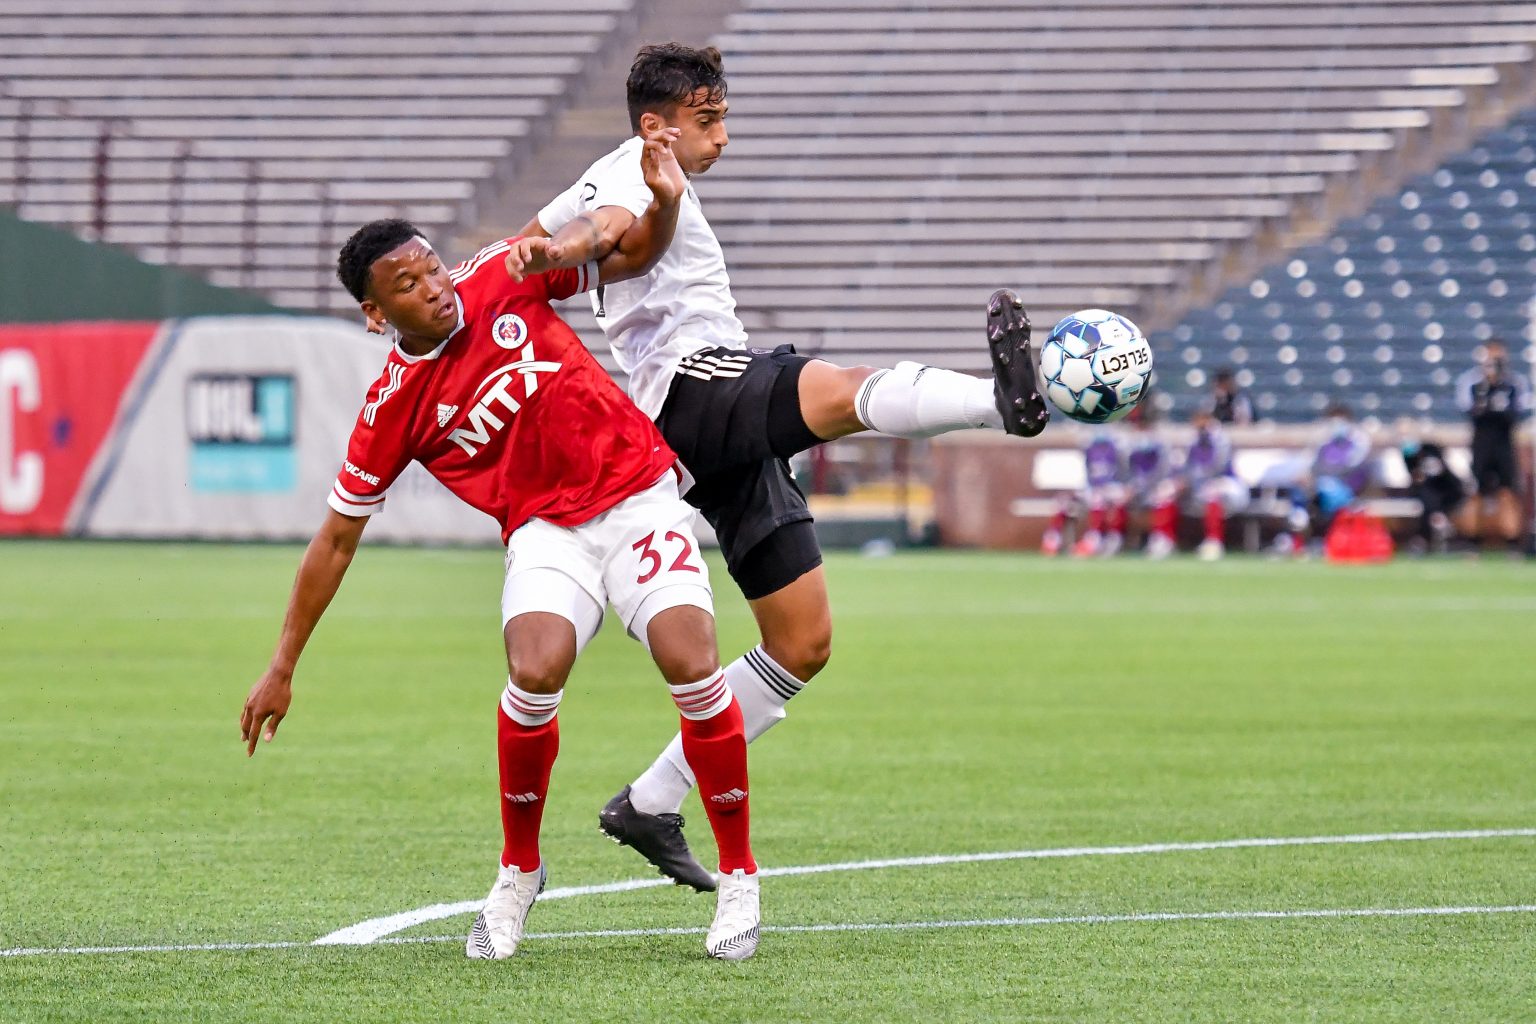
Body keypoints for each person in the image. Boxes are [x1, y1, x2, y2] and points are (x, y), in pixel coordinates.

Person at [504, 42, 1050, 889]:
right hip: (690, 386)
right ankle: (995, 403)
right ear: (657, 127)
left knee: (802, 643)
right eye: (707, 119)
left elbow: (541, 239)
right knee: (830, 390)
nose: (722, 136)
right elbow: (599, 231)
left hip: (711, 421)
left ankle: (649, 802)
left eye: (723, 116)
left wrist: (524, 260)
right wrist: (564, 250)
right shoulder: (627, 176)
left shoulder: (617, 174)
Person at [237, 135, 765, 963]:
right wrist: (282, 664)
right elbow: (336, 540)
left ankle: (739, 877)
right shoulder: (391, 410)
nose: (434, 289)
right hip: (546, 531)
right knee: (534, 668)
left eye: (432, 268)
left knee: (691, 660)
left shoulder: (495, 277)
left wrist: (661, 206)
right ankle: (518, 872)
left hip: (634, 494)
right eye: (407, 286)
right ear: (377, 316)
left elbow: (630, 254)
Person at [1454, 340, 1530, 552]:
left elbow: (1517, 413)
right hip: (1481, 443)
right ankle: (1472, 541)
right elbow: (1469, 411)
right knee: (1476, 491)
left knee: (1508, 492)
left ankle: (1513, 542)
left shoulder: (1514, 383)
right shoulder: (1472, 383)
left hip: (1504, 442)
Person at [1274, 404, 1373, 555]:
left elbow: (1353, 468)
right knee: (1301, 489)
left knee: (1322, 492)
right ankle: (1296, 532)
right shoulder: (1325, 443)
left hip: (1347, 490)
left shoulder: (1358, 442)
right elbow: (1315, 466)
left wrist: (1325, 477)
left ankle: (1313, 536)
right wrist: (1309, 477)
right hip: (1320, 488)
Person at [1148, 410, 1248, 561]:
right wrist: (1181, 482)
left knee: (1212, 491)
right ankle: (1164, 539)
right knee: (1167, 491)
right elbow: (1187, 468)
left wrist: (1193, 480)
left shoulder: (1221, 440)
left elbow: (1218, 468)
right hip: (1198, 485)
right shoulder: (1194, 441)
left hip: (1226, 483)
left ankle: (1214, 542)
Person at [1041, 431, 1121, 558]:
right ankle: (1053, 538)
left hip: (1110, 489)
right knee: (1063, 501)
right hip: (1091, 488)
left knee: (1098, 499)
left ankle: (1094, 538)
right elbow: (1084, 479)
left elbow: (1121, 480)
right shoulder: (1087, 453)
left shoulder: (1118, 454)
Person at [1398, 427, 1466, 554]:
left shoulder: (1430, 450)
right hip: (1428, 494)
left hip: (1447, 490)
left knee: (1430, 500)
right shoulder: (1408, 455)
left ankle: (1426, 537)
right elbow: (1415, 477)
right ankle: (1433, 530)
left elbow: (1442, 475)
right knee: (1426, 497)